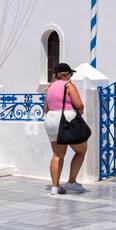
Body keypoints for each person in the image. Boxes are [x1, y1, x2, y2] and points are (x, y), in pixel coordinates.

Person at [43, 64, 87, 196]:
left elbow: (46, 109)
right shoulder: (68, 85)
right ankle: (72, 181)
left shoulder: (49, 87)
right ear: (67, 74)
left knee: (57, 155)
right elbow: (79, 105)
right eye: (70, 74)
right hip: (67, 119)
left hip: (51, 119)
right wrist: (79, 112)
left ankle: (55, 187)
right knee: (81, 150)